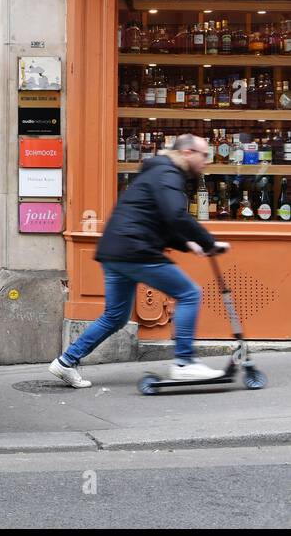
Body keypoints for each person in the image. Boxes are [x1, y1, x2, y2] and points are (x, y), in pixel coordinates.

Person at [49, 134, 229, 388]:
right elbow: (175, 215)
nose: (207, 162)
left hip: (117, 251)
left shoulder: (157, 171)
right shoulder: (169, 174)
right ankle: (185, 363)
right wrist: (209, 242)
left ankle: (66, 361)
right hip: (136, 250)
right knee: (189, 293)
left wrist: (188, 243)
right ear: (187, 153)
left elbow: (158, 218)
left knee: (115, 317)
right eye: (204, 155)